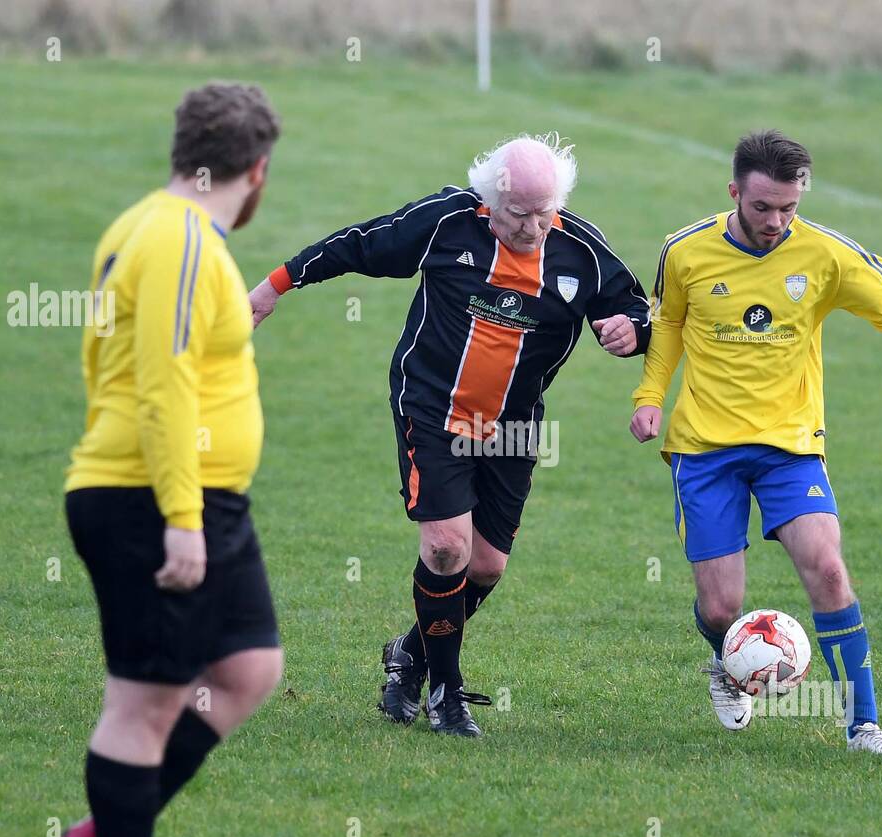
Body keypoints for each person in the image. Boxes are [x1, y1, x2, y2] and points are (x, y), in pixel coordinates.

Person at [630, 129, 882, 756]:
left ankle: (863, 725)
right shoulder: (684, 251)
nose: (777, 221)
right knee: (720, 606)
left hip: (790, 445)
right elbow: (669, 320)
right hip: (705, 448)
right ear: (735, 192)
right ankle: (729, 663)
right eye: (762, 207)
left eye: (790, 207)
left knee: (830, 570)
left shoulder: (825, 254)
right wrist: (648, 399)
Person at [249, 133, 650, 737]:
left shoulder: (581, 251)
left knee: (485, 566)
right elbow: (359, 244)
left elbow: (635, 309)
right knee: (445, 550)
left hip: (512, 425)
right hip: (433, 408)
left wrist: (631, 332)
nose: (534, 226)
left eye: (545, 213)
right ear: (491, 200)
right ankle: (447, 694)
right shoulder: (447, 223)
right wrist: (276, 284)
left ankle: (410, 654)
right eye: (519, 215)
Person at [58, 82, 284, 837]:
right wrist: (180, 518)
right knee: (145, 706)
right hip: (152, 498)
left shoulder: (147, 225)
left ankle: (108, 829)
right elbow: (162, 383)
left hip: (200, 496)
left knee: (249, 669)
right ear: (257, 171)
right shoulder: (180, 239)